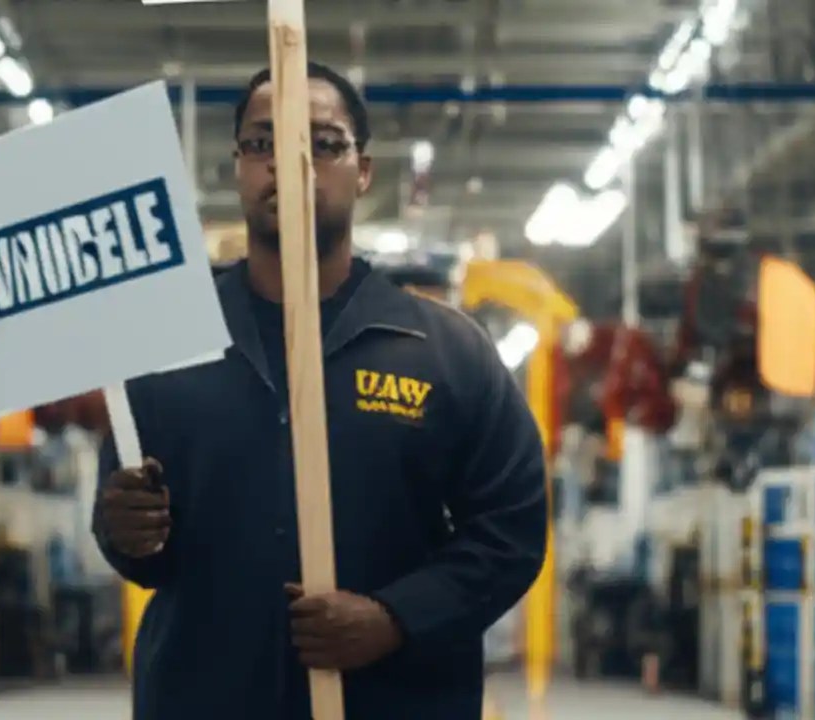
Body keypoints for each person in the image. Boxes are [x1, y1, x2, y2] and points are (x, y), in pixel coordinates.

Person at [93, 62, 548, 720]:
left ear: (363, 170)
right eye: (262, 142)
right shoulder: (165, 345)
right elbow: (134, 539)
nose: (290, 161)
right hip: (203, 697)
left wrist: (395, 618)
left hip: (395, 701)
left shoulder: (445, 353)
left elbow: (511, 531)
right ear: (240, 166)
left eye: (324, 143)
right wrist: (123, 531)